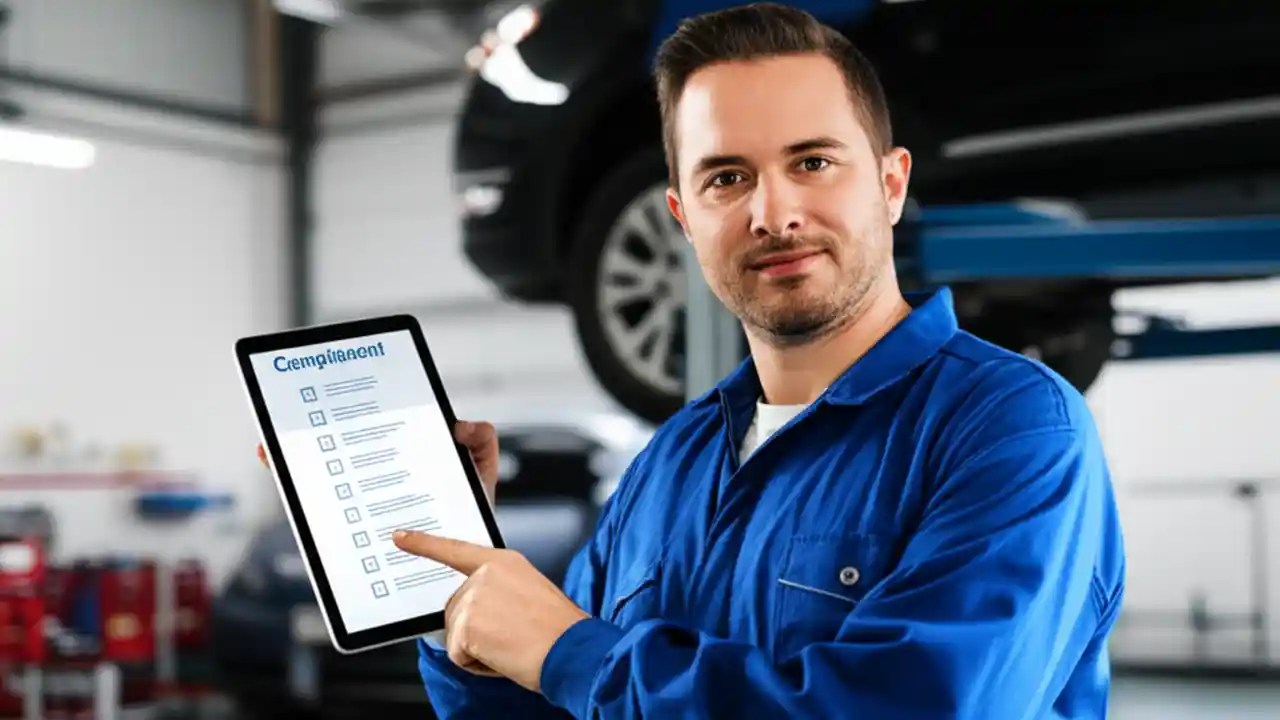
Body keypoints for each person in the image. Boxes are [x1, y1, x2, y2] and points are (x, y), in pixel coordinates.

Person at [279, 4, 1126, 717]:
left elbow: (910, 706)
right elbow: (566, 700)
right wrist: (456, 602)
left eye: (814, 162)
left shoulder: (1009, 427)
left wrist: (571, 652)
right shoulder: (667, 465)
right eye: (727, 178)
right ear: (683, 217)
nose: (773, 211)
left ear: (891, 184)